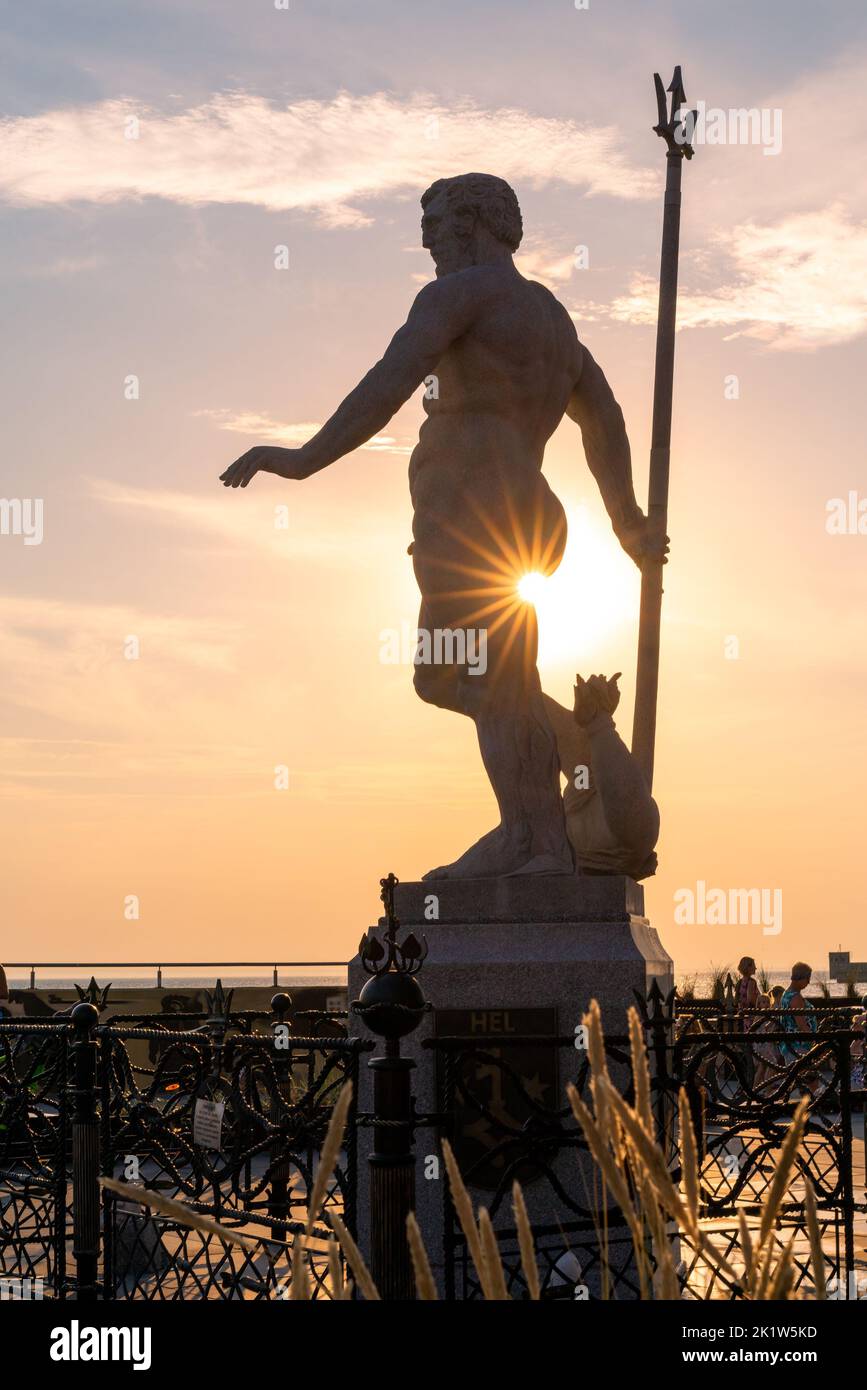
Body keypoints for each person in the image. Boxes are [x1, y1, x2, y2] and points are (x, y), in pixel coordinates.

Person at [219, 173, 666, 881]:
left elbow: (390, 380)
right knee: (446, 676)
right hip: (524, 511)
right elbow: (601, 416)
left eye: (435, 220)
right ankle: (554, 784)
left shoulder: (458, 296)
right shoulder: (551, 318)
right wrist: (626, 522)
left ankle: (533, 841)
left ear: (476, 220)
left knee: (488, 681)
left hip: (471, 510)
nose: (426, 237)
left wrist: (304, 459)